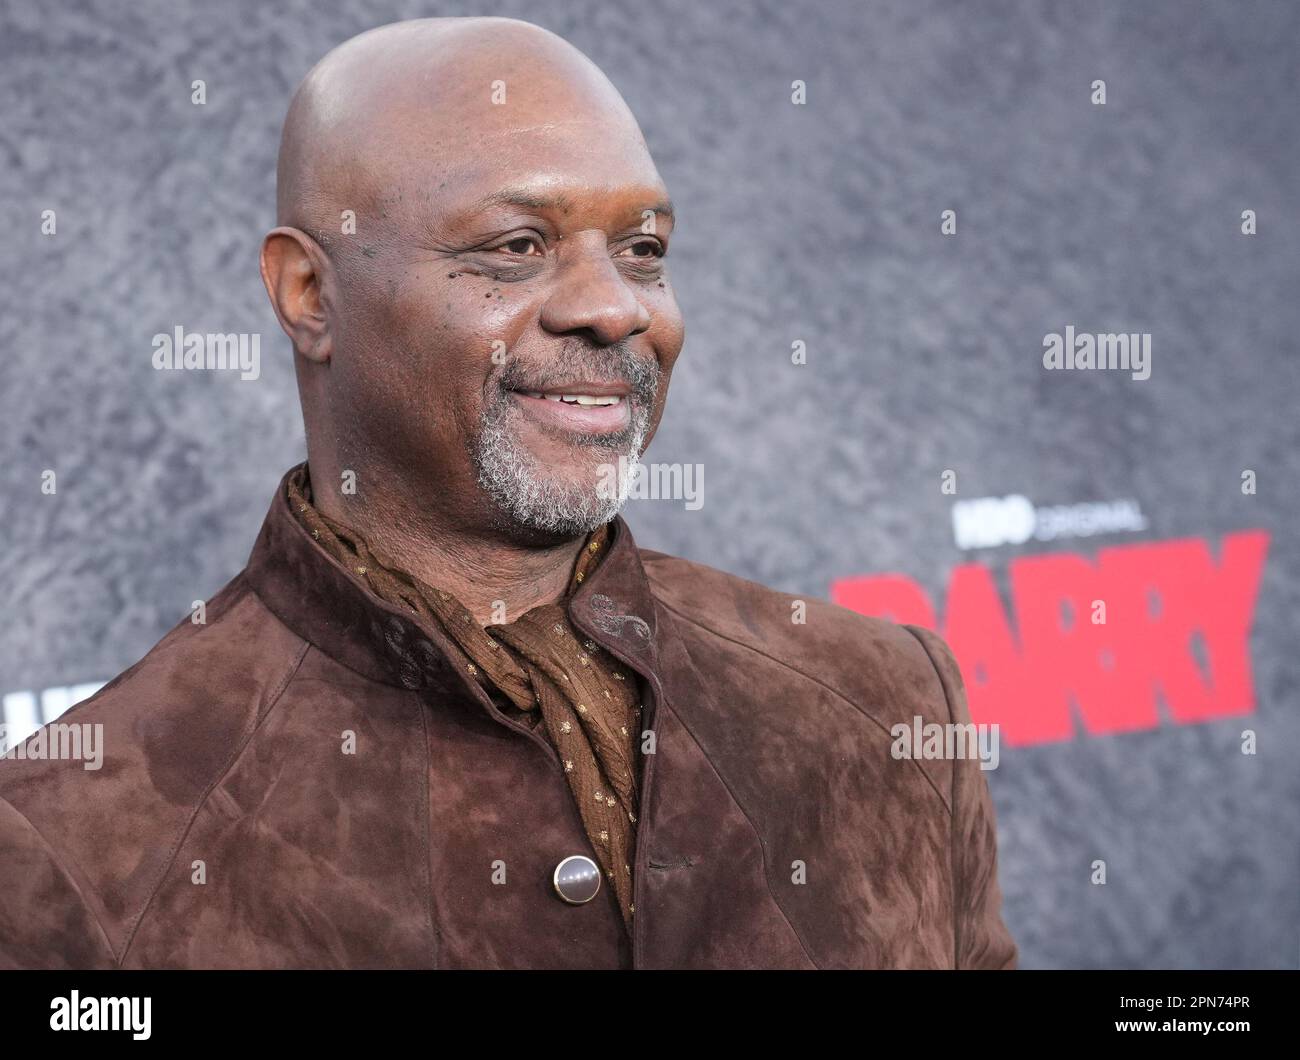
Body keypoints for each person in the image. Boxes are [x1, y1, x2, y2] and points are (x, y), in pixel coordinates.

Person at [0, 16, 1016, 969]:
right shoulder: (71, 840)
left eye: (643, 250)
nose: (614, 308)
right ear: (309, 294)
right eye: (516, 246)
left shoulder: (884, 697)